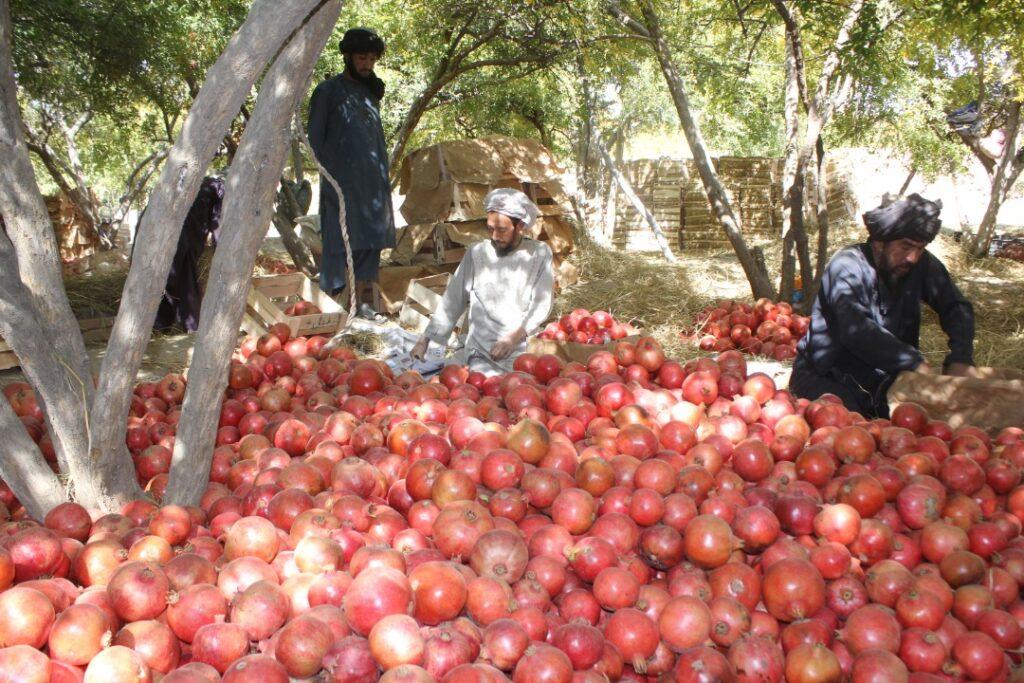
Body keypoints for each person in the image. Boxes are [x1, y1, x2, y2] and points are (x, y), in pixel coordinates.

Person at [789, 193, 976, 418]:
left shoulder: (920, 265)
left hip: (885, 381)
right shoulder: (846, 266)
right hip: (827, 377)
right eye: (906, 247)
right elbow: (856, 330)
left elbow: (956, 306)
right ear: (879, 243)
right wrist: (914, 362)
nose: (912, 258)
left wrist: (961, 357)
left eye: (920, 248)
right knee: (855, 434)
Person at [410, 188, 554, 375]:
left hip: (518, 350)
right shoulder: (477, 252)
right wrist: (424, 341)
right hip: (478, 349)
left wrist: (512, 338)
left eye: (502, 230)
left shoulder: (539, 253)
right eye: (490, 229)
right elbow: (452, 301)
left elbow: (541, 305)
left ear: (520, 226)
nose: (495, 236)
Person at [307, 27, 395, 319]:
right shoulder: (327, 92)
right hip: (341, 183)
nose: (367, 65)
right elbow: (315, 142)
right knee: (338, 241)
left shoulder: (371, 91)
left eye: (371, 59)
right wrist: (331, 175)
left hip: (373, 183)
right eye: (361, 58)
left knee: (371, 241)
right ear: (347, 56)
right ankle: (331, 307)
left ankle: (364, 304)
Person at [154, 176, 225, 332]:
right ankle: (190, 337)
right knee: (187, 293)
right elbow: (219, 229)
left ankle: (159, 331)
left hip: (154, 238)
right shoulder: (218, 190)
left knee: (160, 288)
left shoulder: (181, 182)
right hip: (179, 242)